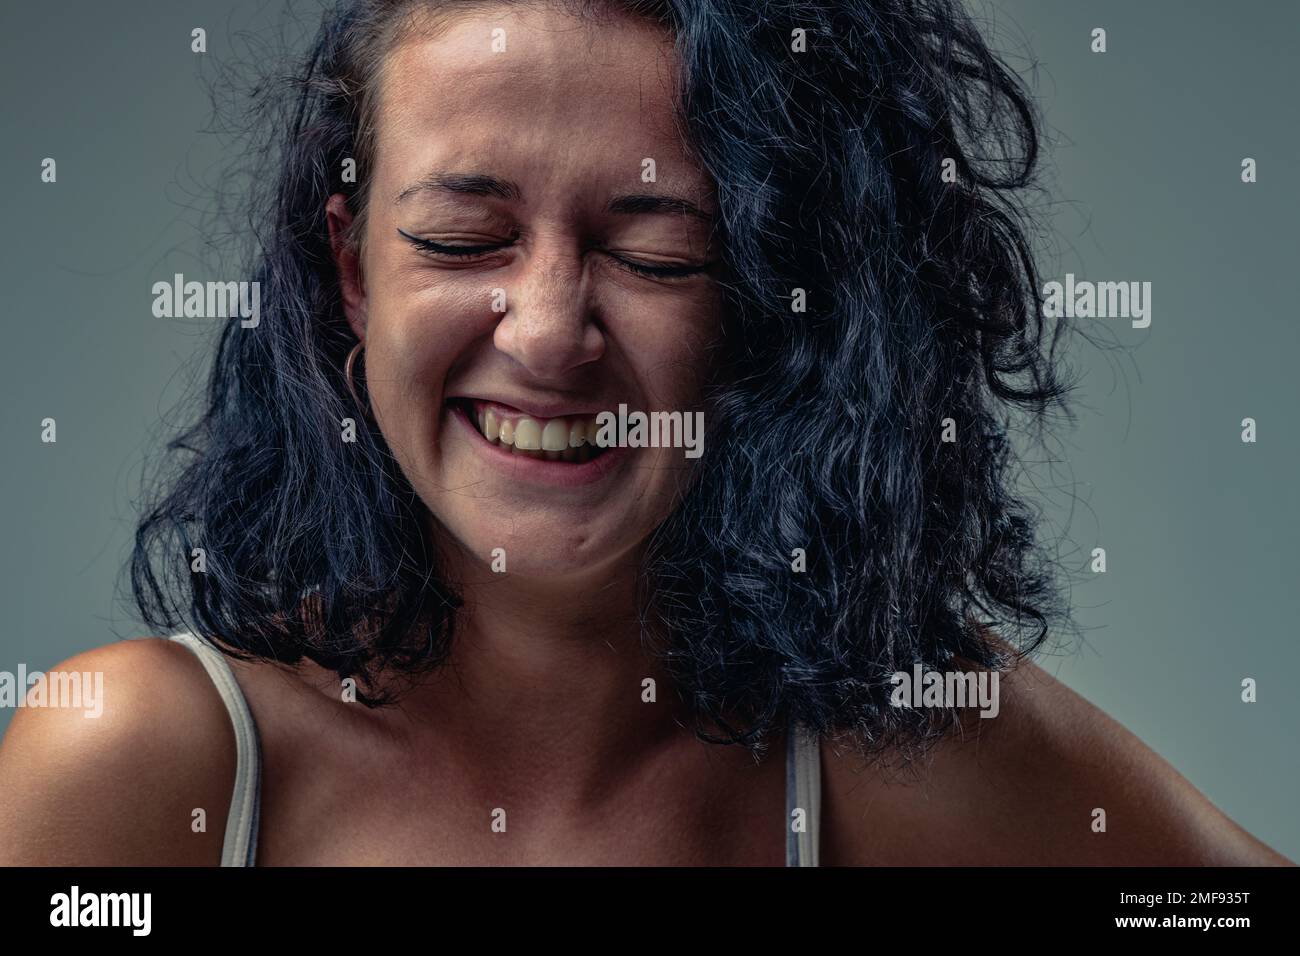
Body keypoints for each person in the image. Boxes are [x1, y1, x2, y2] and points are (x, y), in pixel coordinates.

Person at [0, 0, 1289, 866]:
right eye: (464, 240)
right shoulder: (139, 762)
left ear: (772, 303)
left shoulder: (881, 752)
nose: (551, 333)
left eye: (659, 253)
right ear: (351, 272)